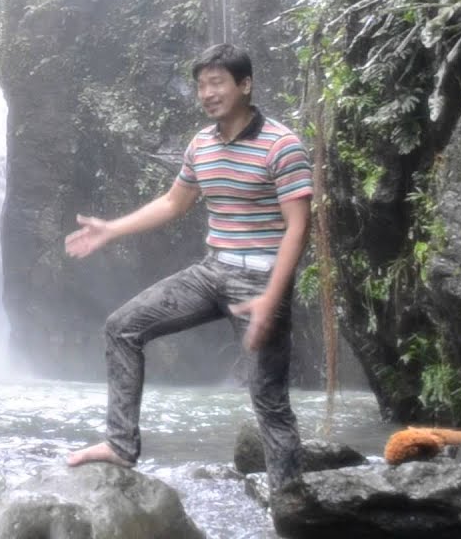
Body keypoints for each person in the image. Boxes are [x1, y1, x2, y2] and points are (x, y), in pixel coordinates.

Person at [63, 43, 313, 491]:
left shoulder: (282, 145)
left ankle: (291, 507)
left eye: (217, 83)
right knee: (123, 327)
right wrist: (111, 229)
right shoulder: (202, 144)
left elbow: (298, 229)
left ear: (245, 85)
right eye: (201, 85)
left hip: (261, 280)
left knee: (269, 402)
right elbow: (173, 202)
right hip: (212, 271)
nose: (207, 93)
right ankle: (121, 444)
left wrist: (272, 297)